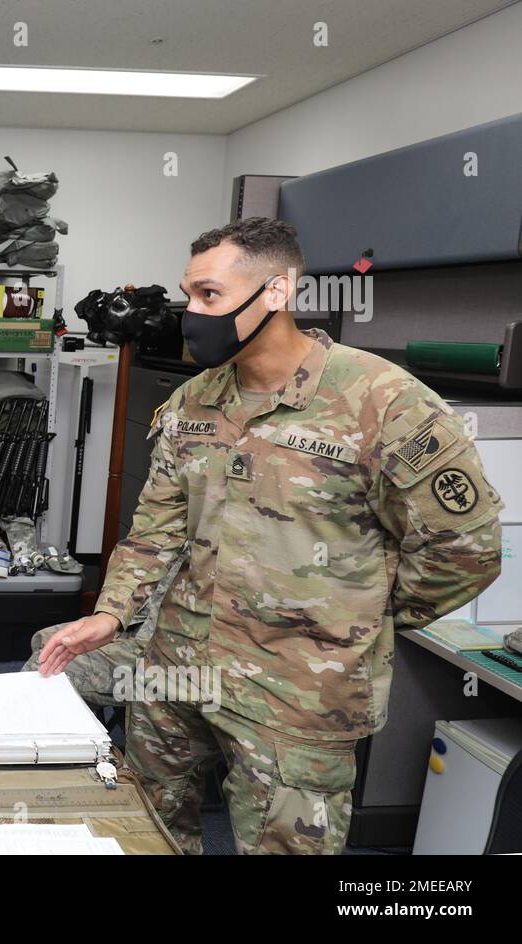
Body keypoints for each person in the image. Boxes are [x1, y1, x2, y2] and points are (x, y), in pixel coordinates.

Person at [39, 217, 503, 854]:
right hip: (176, 666)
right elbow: (156, 527)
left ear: (277, 293)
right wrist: (113, 613)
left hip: (299, 690)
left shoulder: (385, 402)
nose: (191, 314)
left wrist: (354, 611)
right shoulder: (193, 401)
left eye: (209, 296)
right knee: (145, 831)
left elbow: (465, 552)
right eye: (189, 295)